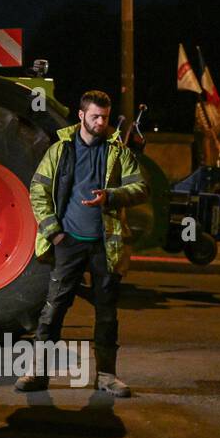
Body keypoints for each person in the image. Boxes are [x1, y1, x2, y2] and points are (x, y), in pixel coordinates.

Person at [18, 90, 148, 396]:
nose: (101, 122)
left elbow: (140, 188)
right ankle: (38, 373)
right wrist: (54, 233)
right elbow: (37, 190)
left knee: (106, 312)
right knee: (53, 310)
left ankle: (106, 376)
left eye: (104, 116)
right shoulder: (60, 150)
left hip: (105, 244)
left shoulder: (118, 152)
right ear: (81, 116)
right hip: (69, 242)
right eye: (95, 116)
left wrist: (112, 196)